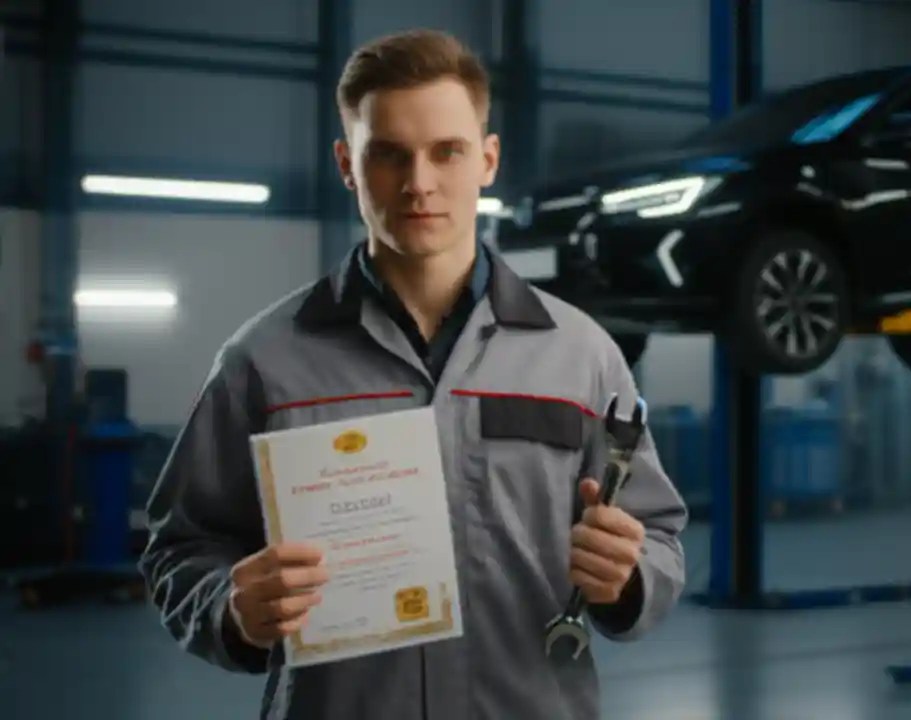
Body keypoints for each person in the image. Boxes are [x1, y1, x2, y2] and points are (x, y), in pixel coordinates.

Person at [138, 28, 688, 720]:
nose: (419, 183)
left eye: (447, 151)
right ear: (347, 164)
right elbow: (181, 547)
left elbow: (658, 534)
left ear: (488, 160)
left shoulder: (582, 357)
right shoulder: (264, 362)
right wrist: (229, 609)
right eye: (388, 154)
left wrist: (628, 580)